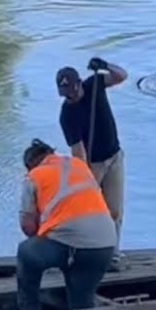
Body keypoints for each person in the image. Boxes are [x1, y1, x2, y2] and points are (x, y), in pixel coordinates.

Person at [17, 139, 117, 310]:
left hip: (69, 246)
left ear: (30, 165)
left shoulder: (35, 176)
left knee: (26, 252)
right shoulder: (79, 165)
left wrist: (42, 226)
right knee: (82, 301)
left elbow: (28, 227)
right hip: (105, 245)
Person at [57, 56, 128, 267]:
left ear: (80, 83)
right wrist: (85, 179)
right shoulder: (67, 115)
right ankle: (80, 253)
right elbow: (78, 151)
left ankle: (112, 255)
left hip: (114, 157)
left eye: (73, 91)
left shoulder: (95, 84)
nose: (71, 97)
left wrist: (105, 66)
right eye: (66, 94)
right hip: (93, 165)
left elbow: (121, 76)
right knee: (87, 212)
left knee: (114, 210)